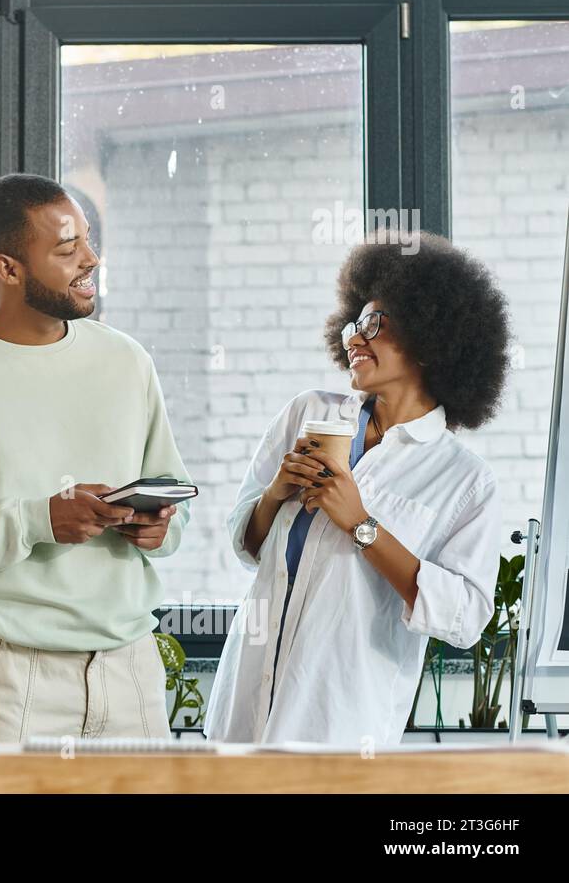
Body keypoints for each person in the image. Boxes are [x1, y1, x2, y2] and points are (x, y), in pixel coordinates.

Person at [0, 173, 192, 742]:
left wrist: (158, 526)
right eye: (68, 250)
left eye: (88, 241)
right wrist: (38, 520)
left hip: (130, 668)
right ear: (8, 268)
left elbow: (176, 503)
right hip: (7, 676)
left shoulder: (128, 362)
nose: (91, 260)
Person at [204, 232, 510, 746]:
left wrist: (362, 525)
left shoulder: (464, 480)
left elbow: (464, 617)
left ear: (432, 338)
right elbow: (248, 545)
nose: (353, 337)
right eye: (353, 323)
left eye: (374, 323)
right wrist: (277, 491)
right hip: (244, 707)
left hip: (340, 725)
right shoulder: (309, 414)